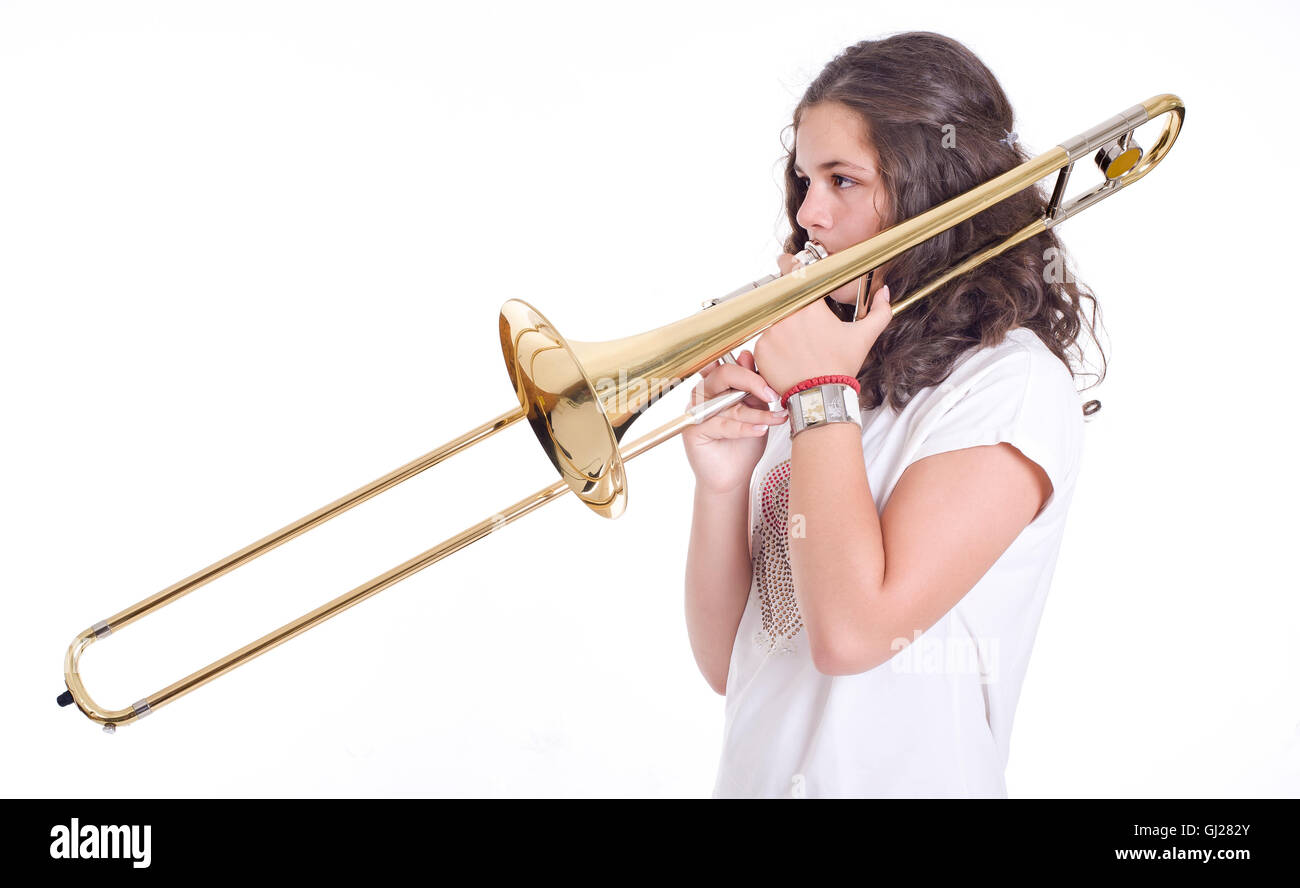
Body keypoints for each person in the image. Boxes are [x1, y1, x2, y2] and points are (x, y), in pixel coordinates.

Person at [681, 31, 1105, 798]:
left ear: (932, 189)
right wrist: (721, 487)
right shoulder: (835, 379)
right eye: (803, 179)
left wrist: (817, 392)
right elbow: (730, 663)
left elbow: (852, 635)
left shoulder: (1010, 384)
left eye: (843, 180)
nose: (809, 213)